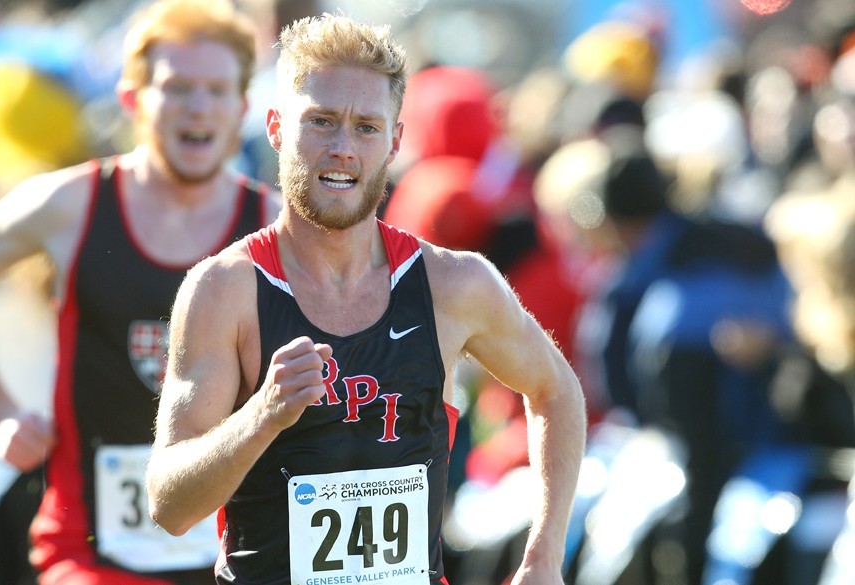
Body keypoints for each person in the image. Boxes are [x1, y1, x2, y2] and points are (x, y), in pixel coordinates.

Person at [145, 13, 587, 585]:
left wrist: (545, 557)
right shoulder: (223, 291)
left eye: (366, 128)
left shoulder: (454, 284)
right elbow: (169, 506)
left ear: (396, 141)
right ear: (276, 128)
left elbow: (556, 391)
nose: (343, 149)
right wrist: (260, 417)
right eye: (321, 121)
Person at [0, 0, 279, 583]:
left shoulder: (276, 225)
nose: (198, 107)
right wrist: (0, 414)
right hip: (91, 550)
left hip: (236, 555)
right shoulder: (73, 204)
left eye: (216, 90)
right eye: (177, 88)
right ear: (132, 99)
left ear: (242, 106)